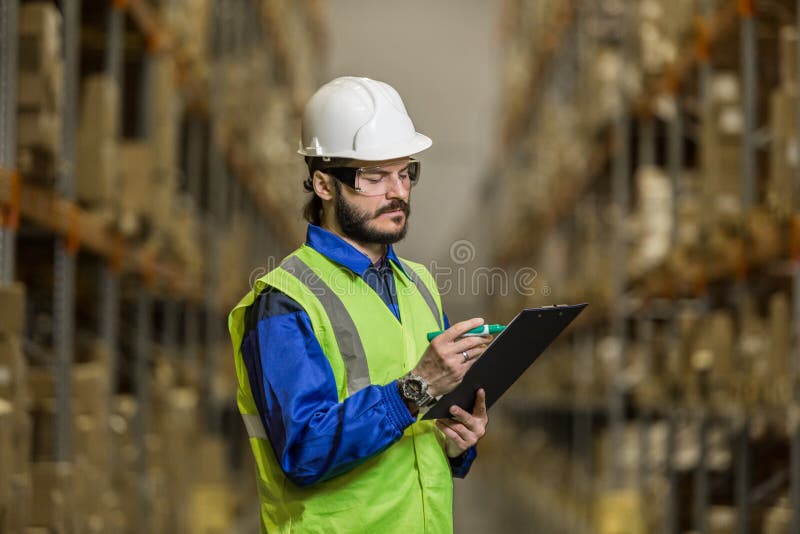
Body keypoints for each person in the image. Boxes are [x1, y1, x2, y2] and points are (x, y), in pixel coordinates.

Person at [228, 76, 492, 533]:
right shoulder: (284, 300)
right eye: (374, 177)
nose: (398, 191)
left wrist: (458, 441)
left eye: (405, 173)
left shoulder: (421, 285)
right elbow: (304, 450)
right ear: (323, 184)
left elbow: (425, 430)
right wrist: (414, 390)